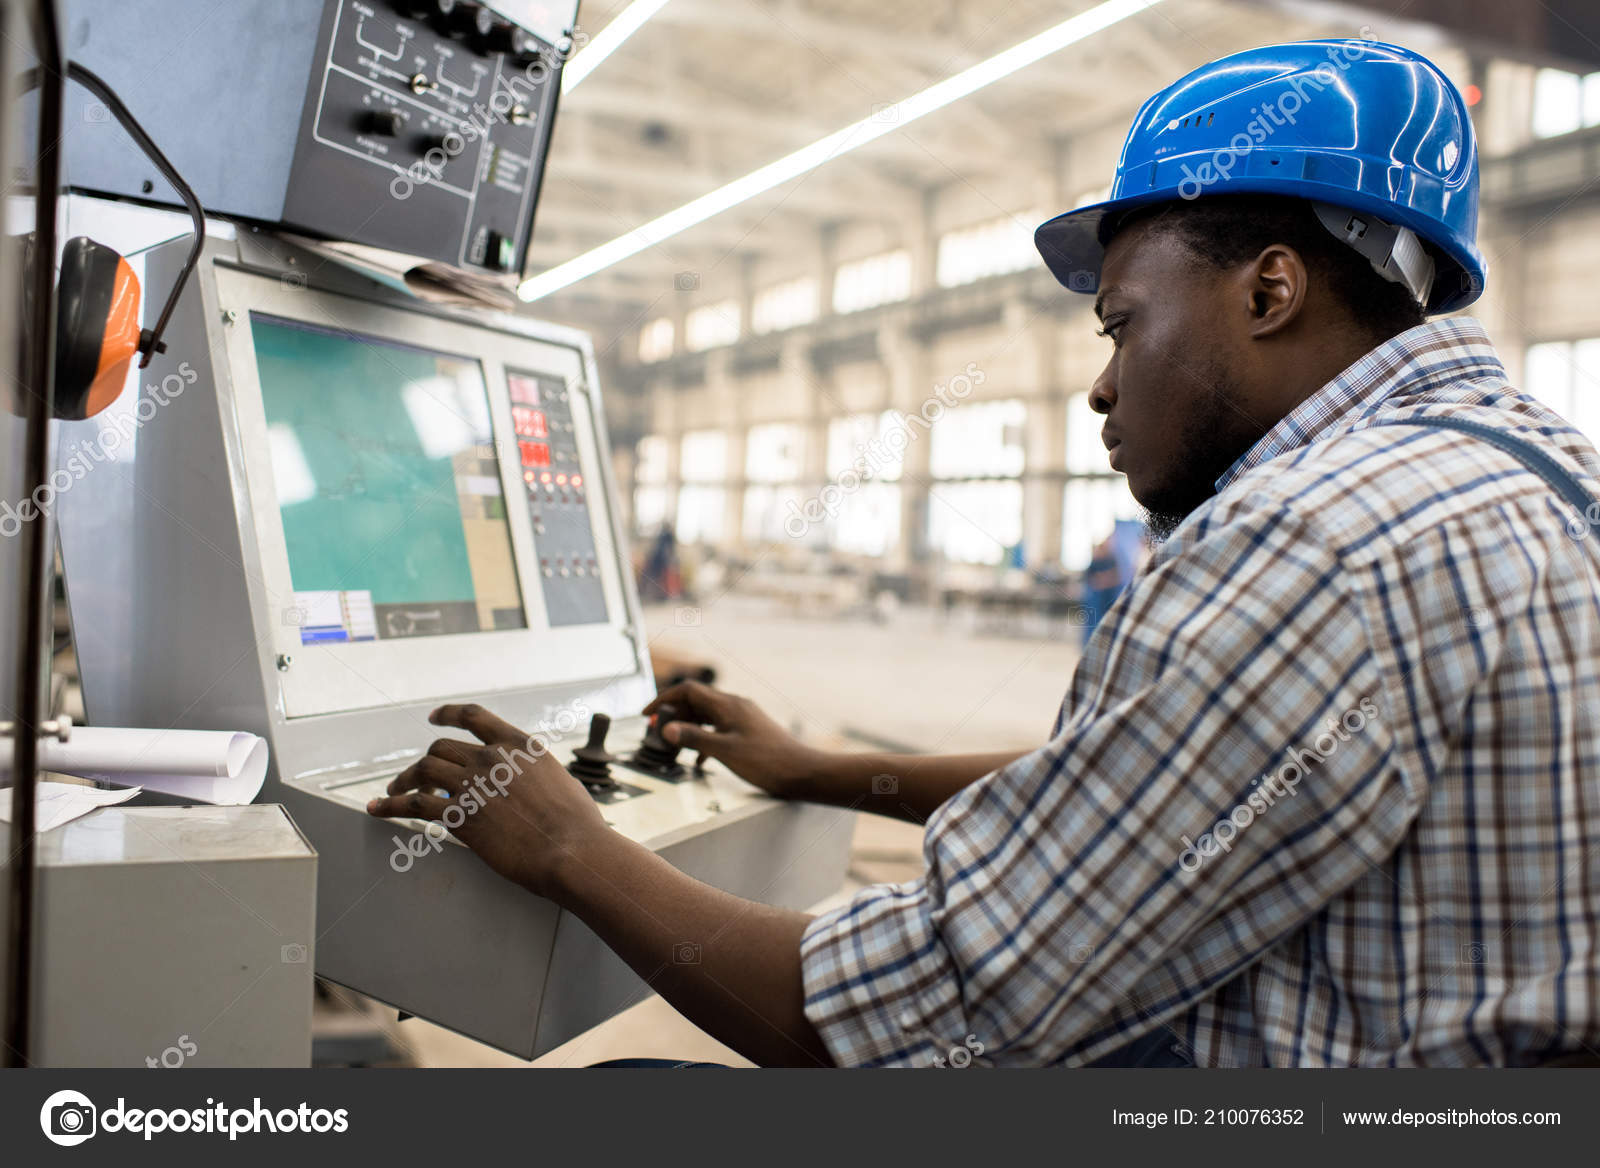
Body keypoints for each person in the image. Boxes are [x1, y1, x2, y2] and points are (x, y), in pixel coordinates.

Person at [369, 39, 1600, 1066]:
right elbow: (1143, 784)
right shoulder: (1534, 467)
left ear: (1268, 292)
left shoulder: (1309, 542)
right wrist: (822, 769)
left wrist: (571, 846)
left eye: (1123, 324)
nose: (1101, 387)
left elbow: (931, 1019)